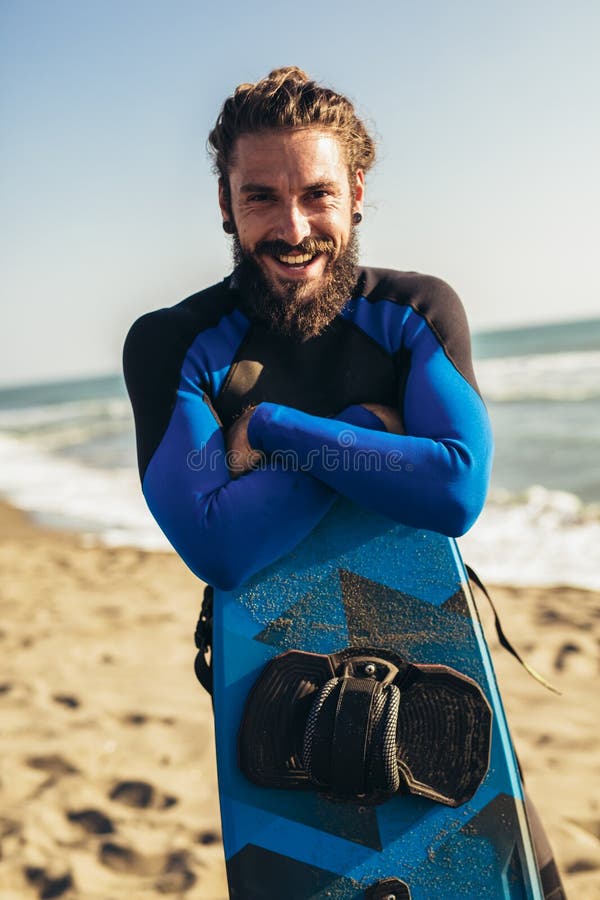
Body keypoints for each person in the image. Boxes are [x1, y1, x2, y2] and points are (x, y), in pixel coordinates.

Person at [123, 66, 565, 899]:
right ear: (224, 201)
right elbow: (217, 543)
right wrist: (373, 436)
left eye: (317, 195)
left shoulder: (413, 313)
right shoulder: (175, 344)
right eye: (260, 198)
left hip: (439, 678)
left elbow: (454, 492)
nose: (292, 229)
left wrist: (277, 431)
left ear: (357, 192)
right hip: (273, 694)